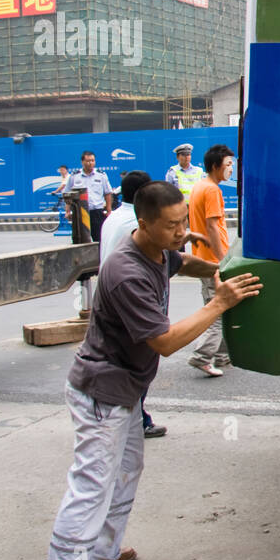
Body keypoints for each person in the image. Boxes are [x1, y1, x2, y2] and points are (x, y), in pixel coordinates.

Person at [39, 180, 262, 560]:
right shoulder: (126, 273)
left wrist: (217, 268)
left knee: (124, 474)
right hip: (102, 393)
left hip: (126, 391)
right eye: (173, 226)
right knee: (91, 485)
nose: (182, 232)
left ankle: (101, 554)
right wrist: (219, 303)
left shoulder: (154, 249)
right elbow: (164, 343)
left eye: (184, 223)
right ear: (144, 223)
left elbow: (181, 262)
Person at [101, 170, 166, 439]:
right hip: (128, 300)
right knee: (134, 362)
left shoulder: (113, 217)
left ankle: (134, 417)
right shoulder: (137, 224)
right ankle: (135, 419)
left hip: (112, 297)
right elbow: (166, 342)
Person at [187, 144, 234, 377]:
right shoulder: (212, 191)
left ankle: (222, 355)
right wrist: (223, 261)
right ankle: (202, 356)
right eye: (227, 165)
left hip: (202, 259)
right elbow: (213, 226)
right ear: (215, 166)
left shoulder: (200, 186)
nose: (231, 169)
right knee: (217, 309)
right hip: (213, 261)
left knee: (218, 306)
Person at [64, 150, 113, 243]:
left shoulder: (101, 175)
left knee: (99, 240)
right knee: (79, 240)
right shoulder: (75, 176)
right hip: (79, 213)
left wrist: (109, 210)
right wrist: (67, 210)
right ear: (82, 162)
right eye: (88, 161)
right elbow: (68, 194)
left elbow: (108, 193)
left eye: (92, 160)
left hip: (96, 212)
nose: (90, 163)